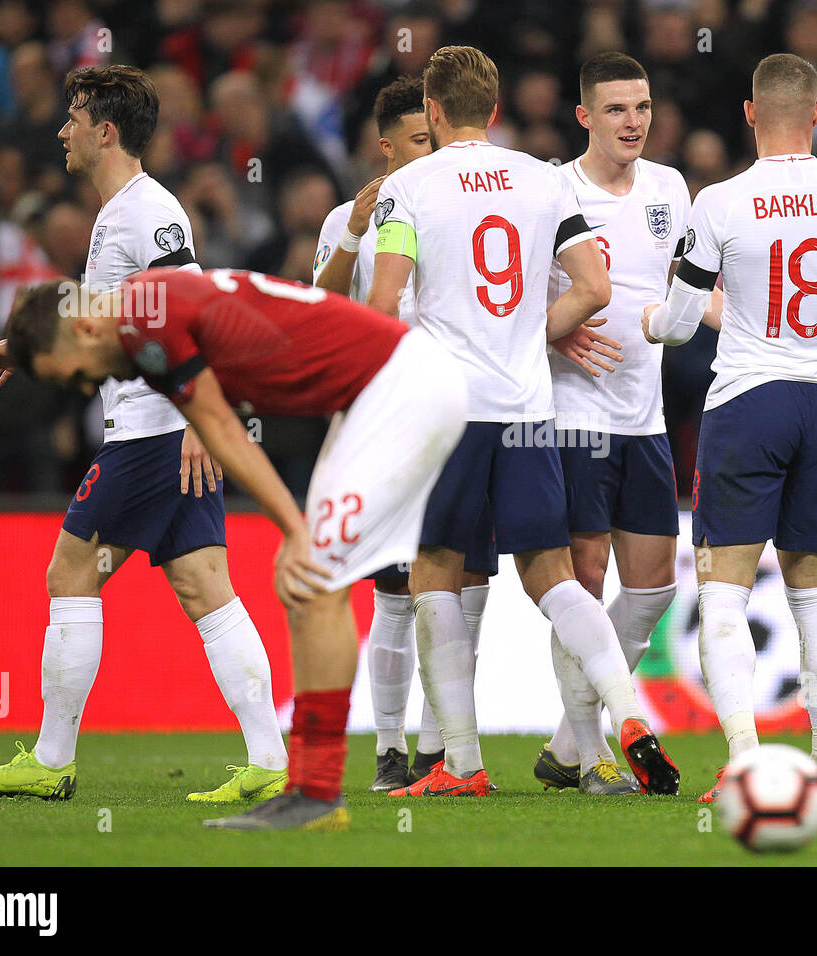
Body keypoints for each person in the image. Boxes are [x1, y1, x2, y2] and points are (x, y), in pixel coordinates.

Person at [0, 267, 468, 830]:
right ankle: (309, 790)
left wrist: (295, 532)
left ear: (90, 331)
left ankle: (315, 795)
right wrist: (28, 341)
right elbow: (216, 418)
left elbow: (219, 424)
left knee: (313, 581)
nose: (82, 388)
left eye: (74, 375)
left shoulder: (147, 326)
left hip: (398, 390)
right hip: (386, 389)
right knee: (312, 586)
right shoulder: (143, 313)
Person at [0, 66, 287, 805]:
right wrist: (22, 347)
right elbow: (108, 317)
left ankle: (52, 760)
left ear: (106, 130)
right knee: (205, 586)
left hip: (151, 434)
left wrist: (206, 420)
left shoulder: (147, 212)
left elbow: (198, 309)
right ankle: (270, 761)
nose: (61, 130)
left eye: (73, 117)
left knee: (69, 574)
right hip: (166, 431)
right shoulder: (121, 215)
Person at [367, 45, 679, 797]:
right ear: (495, 110)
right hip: (533, 411)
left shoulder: (406, 187)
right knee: (554, 578)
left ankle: (463, 765)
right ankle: (628, 714)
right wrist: (528, 332)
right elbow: (594, 286)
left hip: (452, 411)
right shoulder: (542, 181)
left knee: (433, 574)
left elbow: (380, 308)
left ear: (434, 113)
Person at [643, 53, 817, 803]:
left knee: (724, 592)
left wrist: (651, 316)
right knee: (816, 593)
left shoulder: (722, 200)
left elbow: (670, 326)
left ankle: (741, 760)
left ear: (751, 113)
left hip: (747, 403)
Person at [536, 52, 719, 795]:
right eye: (615, 109)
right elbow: (507, 294)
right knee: (582, 581)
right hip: (572, 414)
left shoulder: (671, 188)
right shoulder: (552, 190)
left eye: (641, 106)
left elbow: (684, 290)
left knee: (652, 590)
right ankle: (594, 754)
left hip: (644, 419)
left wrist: (747, 329)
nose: (632, 121)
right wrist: (553, 330)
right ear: (585, 117)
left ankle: (563, 741)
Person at [313, 74, 496, 792]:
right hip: (389, 423)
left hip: (465, 416)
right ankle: (390, 751)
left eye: (439, 134)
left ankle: (440, 747)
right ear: (387, 148)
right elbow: (318, 306)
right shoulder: (346, 219)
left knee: (468, 582)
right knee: (395, 592)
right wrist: (356, 233)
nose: (436, 148)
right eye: (421, 140)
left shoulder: (466, 205)